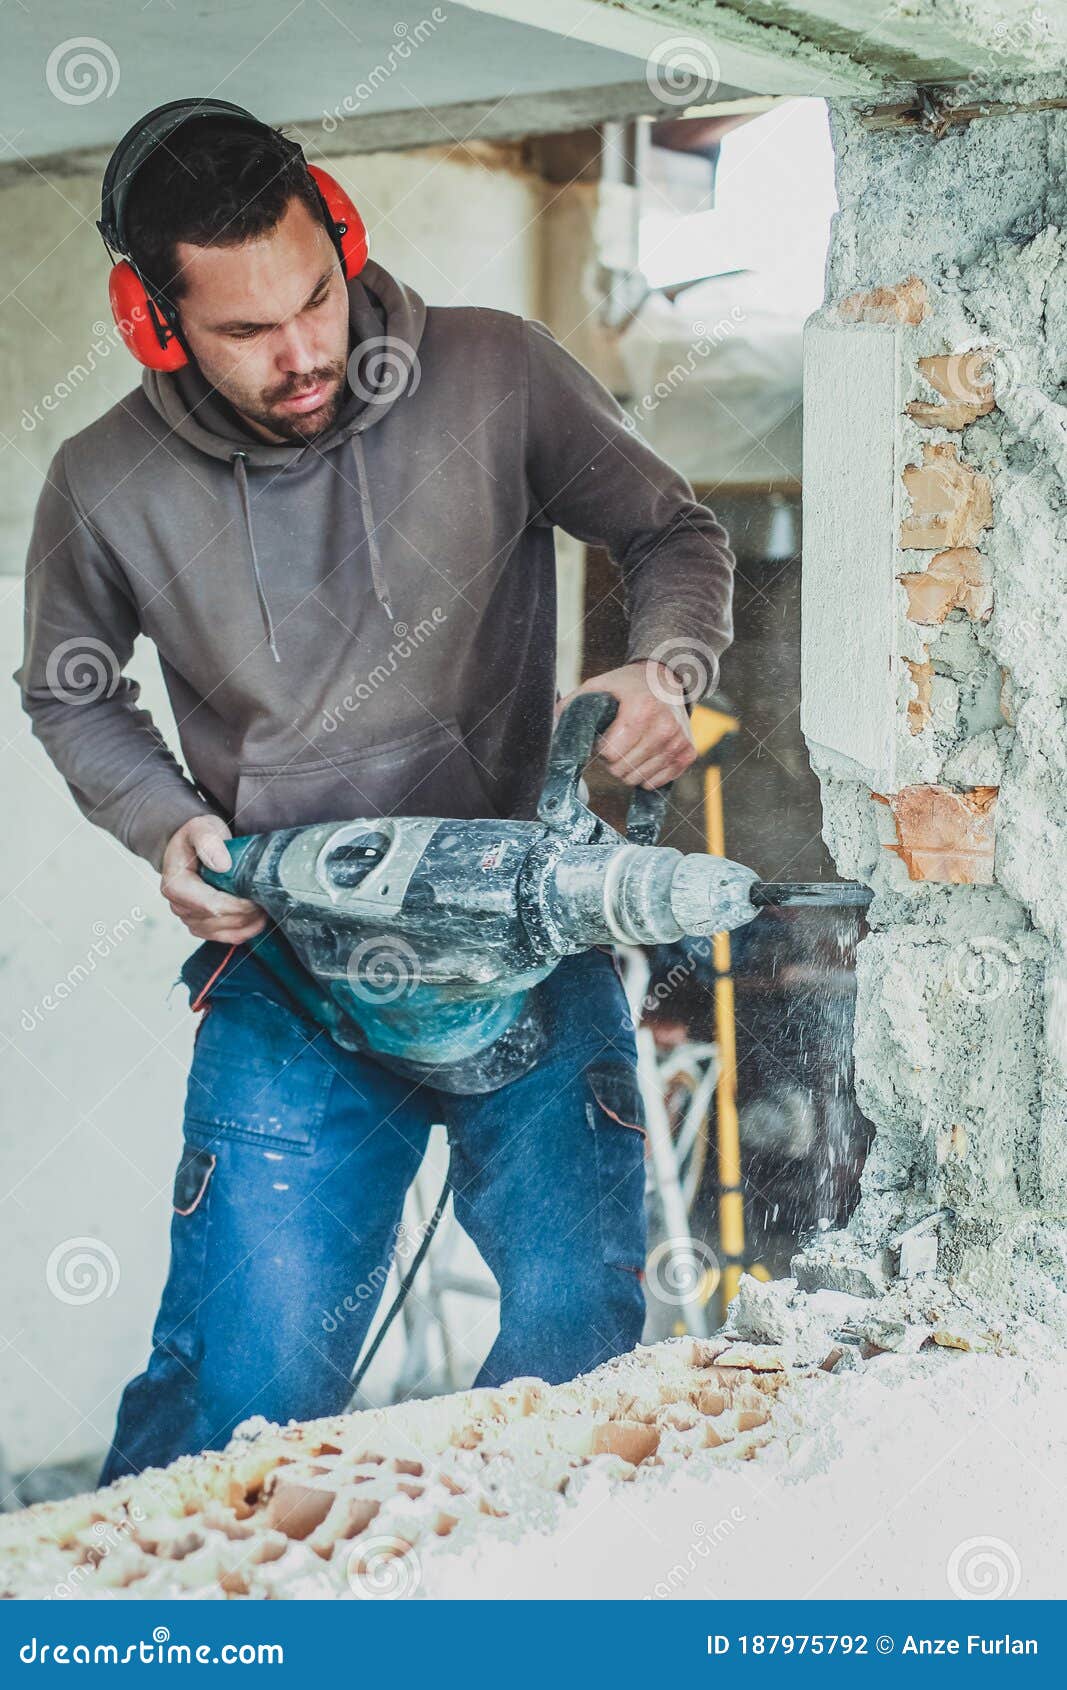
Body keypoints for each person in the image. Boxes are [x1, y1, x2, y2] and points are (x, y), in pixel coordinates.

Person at [15, 100, 735, 1483]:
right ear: (152, 322)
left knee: (583, 1343)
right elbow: (70, 687)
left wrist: (668, 668)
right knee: (243, 1385)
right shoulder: (102, 484)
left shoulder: (497, 374)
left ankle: (492, 1616)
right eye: (246, 332)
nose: (304, 353)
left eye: (318, 299)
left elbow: (668, 529)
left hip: (529, 950)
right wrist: (168, 824)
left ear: (342, 235)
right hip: (294, 977)